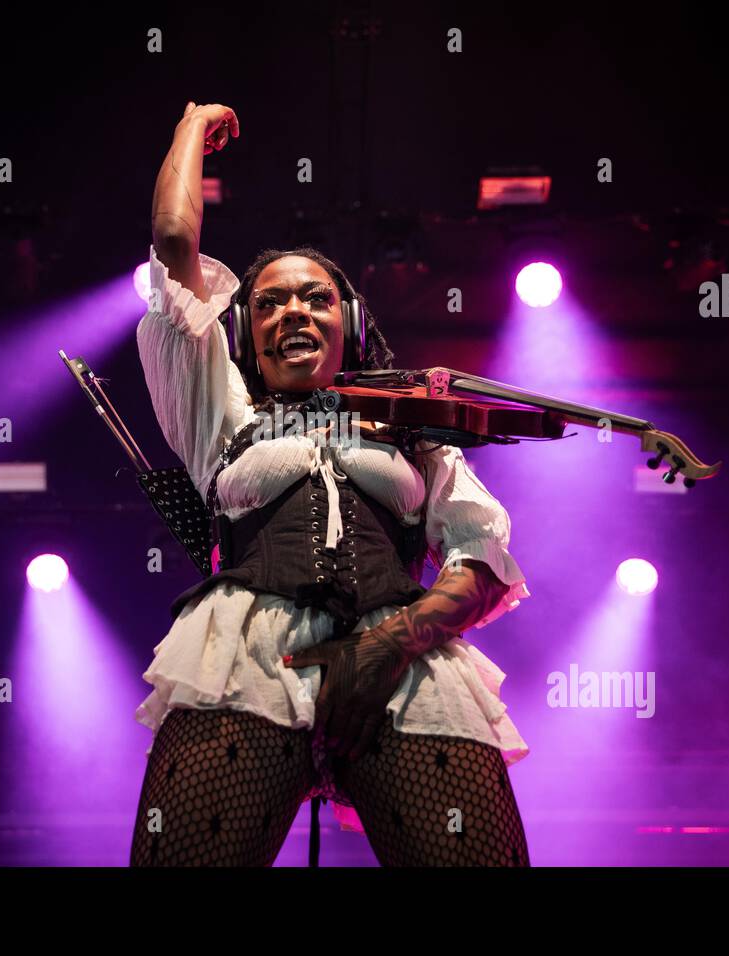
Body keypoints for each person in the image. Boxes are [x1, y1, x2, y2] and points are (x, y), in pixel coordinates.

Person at [129, 101, 532, 866]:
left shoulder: (410, 428)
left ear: (346, 322)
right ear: (245, 332)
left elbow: (481, 557)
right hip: (243, 666)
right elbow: (176, 243)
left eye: (315, 298)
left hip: (408, 667)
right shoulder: (219, 412)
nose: (293, 312)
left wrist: (388, 642)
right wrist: (190, 127)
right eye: (270, 301)